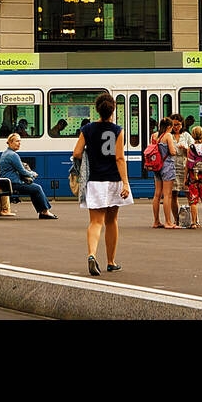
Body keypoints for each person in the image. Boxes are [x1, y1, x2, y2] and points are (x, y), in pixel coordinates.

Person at [71, 92, 132, 276]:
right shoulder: (117, 130)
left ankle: (91, 255)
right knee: (112, 221)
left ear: (97, 109)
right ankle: (111, 262)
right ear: (113, 110)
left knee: (95, 222)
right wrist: (125, 183)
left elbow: (77, 153)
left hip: (95, 181)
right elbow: (120, 158)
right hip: (113, 179)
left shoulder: (87, 129)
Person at [0, 134, 57, 219]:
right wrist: (33, 174)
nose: (19, 144)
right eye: (17, 141)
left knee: (34, 189)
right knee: (37, 188)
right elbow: (22, 171)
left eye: (20, 141)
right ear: (10, 142)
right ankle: (45, 211)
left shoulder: (6, 153)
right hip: (12, 183)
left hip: (6, 183)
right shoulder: (13, 155)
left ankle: (42, 211)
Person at [151, 117, 178, 229]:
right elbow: (172, 151)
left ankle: (156, 221)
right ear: (168, 127)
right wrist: (176, 150)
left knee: (157, 194)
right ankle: (168, 222)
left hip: (156, 166)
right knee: (167, 195)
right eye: (171, 127)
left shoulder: (154, 135)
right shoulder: (168, 136)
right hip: (167, 166)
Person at [169, 114, 192, 224]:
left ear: (182, 124)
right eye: (173, 125)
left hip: (185, 166)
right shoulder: (169, 135)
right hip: (172, 166)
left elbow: (194, 150)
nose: (175, 127)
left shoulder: (186, 136)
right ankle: (176, 219)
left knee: (189, 193)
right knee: (174, 193)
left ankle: (193, 219)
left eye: (177, 125)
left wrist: (186, 148)